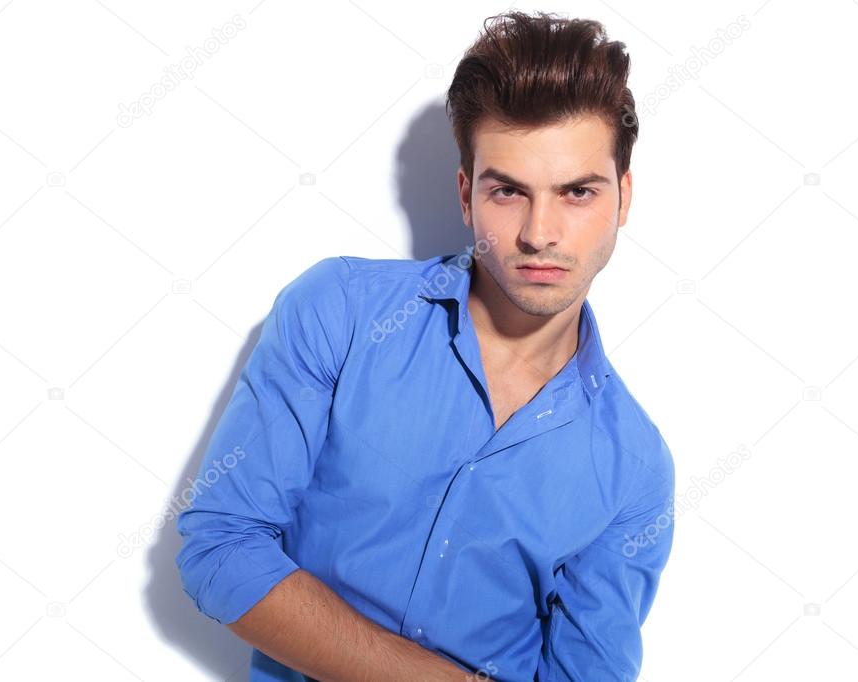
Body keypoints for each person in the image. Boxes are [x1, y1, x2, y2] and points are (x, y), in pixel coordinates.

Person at [176, 10, 675, 681]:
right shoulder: (340, 311)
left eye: (577, 192)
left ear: (622, 200)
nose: (539, 232)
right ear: (467, 194)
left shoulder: (635, 469)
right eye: (508, 191)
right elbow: (221, 547)